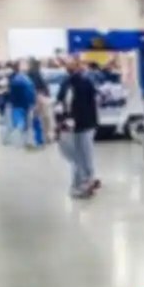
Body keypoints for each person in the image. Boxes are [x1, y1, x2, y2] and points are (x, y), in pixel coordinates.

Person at [57, 57, 100, 198]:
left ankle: (79, 184)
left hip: (74, 125)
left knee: (75, 156)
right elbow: (94, 101)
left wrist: (62, 122)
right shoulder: (87, 82)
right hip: (87, 124)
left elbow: (65, 105)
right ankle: (89, 178)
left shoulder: (68, 84)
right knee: (86, 153)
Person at [7, 60, 40, 147]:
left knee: (20, 121)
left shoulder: (13, 78)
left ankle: (20, 140)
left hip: (16, 104)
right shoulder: (26, 80)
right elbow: (30, 93)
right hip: (25, 104)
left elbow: (11, 92)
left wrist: (11, 102)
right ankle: (25, 140)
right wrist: (33, 102)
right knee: (25, 123)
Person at [27, 58, 56, 143]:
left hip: (35, 97)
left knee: (37, 117)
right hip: (40, 96)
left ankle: (39, 137)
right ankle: (48, 136)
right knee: (47, 117)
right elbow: (42, 85)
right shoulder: (36, 73)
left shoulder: (30, 73)